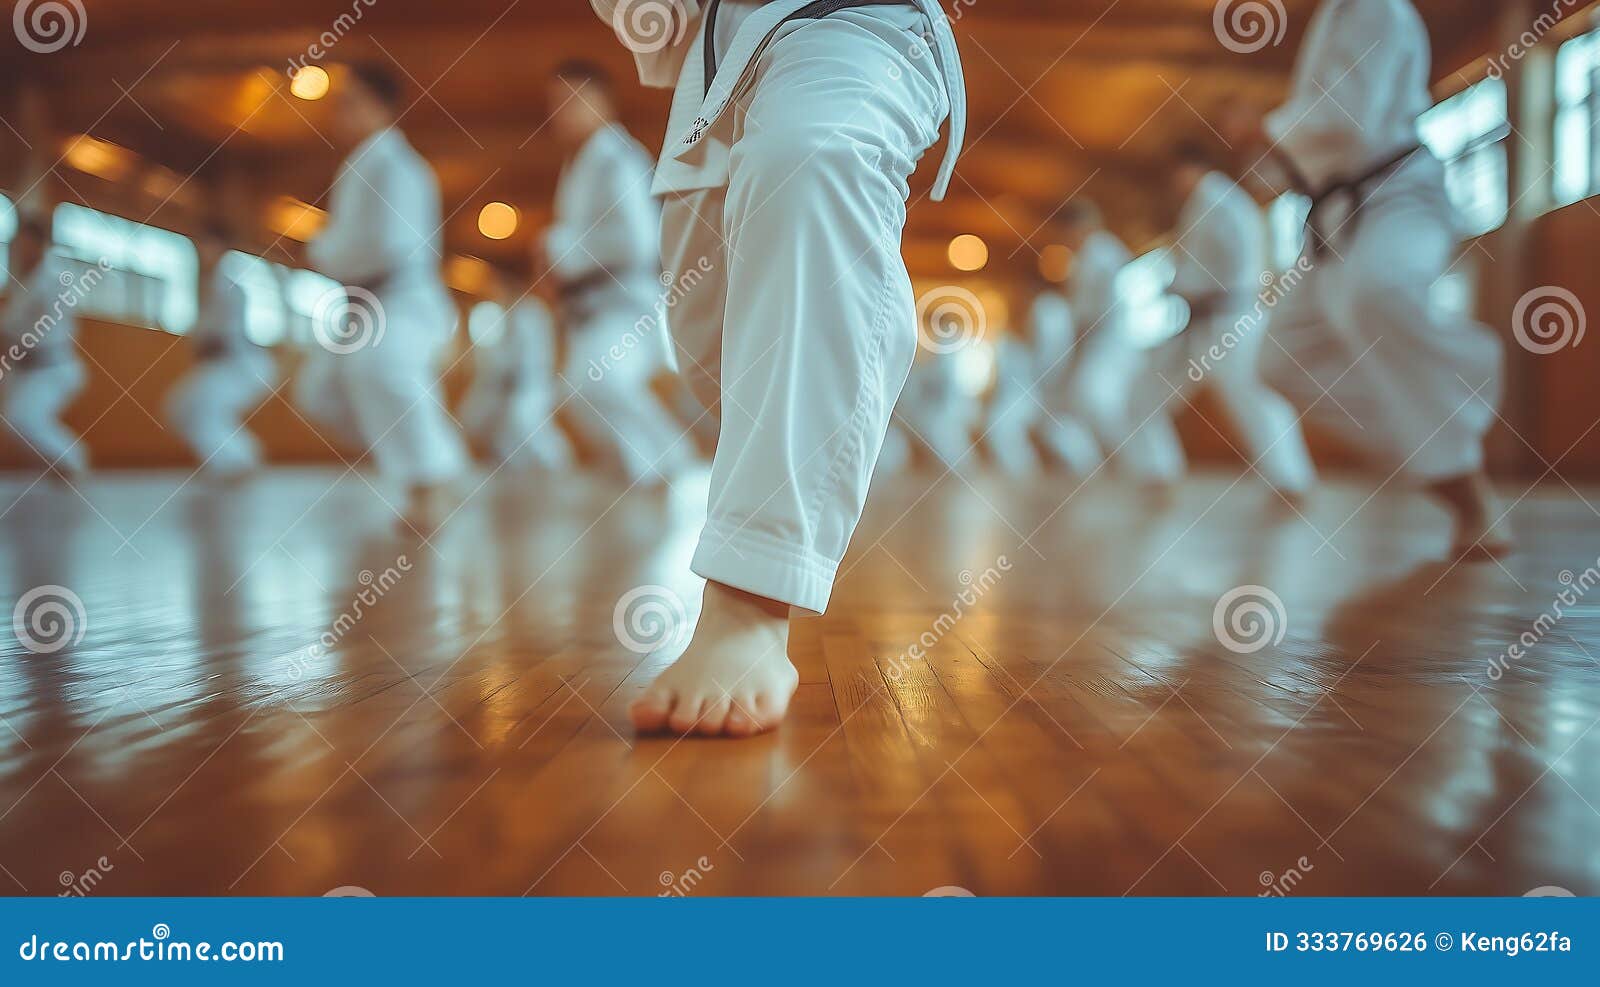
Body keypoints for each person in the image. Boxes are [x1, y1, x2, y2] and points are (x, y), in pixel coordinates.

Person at [590, 0, 965, 736]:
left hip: (853, 20)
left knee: (811, 159)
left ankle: (748, 605)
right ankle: (826, 422)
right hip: (719, 52)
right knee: (715, 352)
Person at [1224, 0, 1509, 557]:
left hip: (1400, 196)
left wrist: (1263, 126)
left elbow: (1348, 121)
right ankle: (1425, 447)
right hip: (1339, 217)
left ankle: (1468, 479)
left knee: (1375, 296)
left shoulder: (1376, 8)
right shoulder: (1337, 14)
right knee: (1280, 359)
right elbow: (1321, 144)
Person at [307, 61, 468, 533]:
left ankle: (434, 482)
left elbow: (391, 245)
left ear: (379, 105)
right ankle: (423, 466)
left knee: (383, 369)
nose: (342, 113)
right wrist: (331, 252)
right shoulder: (360, 164)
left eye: (351, 102)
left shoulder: (395, 164)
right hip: (364, 303)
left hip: (403, 297)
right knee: (322, 391)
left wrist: (327, 252)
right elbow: (347, 244)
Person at [541, 61, 687, 487]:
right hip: (593, 306)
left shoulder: (616, 158)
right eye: (555, 105)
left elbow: (636, 241)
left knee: (597, 381)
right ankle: (649, 472)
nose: (561, 114)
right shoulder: (583, 162)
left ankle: (672, 464)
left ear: (603, 102)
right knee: (577, 391)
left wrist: (558, 249)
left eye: (572, 101)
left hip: (626, 302)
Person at [1152, 140, 1316, 503]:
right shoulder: (1211, 203)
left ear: (1190, 168)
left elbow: (1215, 272)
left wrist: (1177, 285)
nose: (1174, 185)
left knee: (1252, 398)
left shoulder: (1216, 203)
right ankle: (1158, 471)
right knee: (1155, 392)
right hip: (1216, 320)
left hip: (1230, 319)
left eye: (1175, 176)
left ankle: (1290, 480)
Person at [1053, 200, 1185, 487]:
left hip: (1112, 340)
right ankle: (1147, 467)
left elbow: (1095, 311)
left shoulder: (1101, 251)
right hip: (1109, 341)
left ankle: (1149, 467)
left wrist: (1079, 344)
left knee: (1096, 398)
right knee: (1109, 401)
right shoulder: (1088, 256)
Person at [165, 223, 278, 479]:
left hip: (243, 366)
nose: (204, 251)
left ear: (223, 249)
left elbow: (217, 339)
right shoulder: (206, 283)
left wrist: (202, 344)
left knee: (200, 411)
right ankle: (237, 461)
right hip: (224, 367)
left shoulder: (228, 288)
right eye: (201, 245)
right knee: (183, 409)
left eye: (210, 244)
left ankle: (240, 461)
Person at [0, 214, 88, 480]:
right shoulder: (25, 281)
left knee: (21, 418)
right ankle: (59, 468)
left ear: (38, 243)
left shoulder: (53, 276)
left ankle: (73, 459)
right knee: (14, 420)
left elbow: (20, 327)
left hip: (53, 366)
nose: (20, 248)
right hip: (26, 369)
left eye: (25, 241)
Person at [460, 275, 573, 470]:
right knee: (478, 418)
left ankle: (559, 466)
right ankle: (511, 468)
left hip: (533, 384)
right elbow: (497, 359)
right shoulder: (501, 313)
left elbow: (531, 358)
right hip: (504, 385)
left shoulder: (531, 312)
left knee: (523, 419)